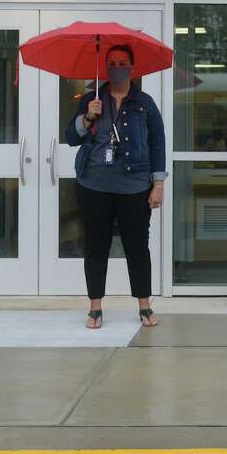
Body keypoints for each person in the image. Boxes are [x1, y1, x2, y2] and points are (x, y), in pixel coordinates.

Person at [66, 45, 165, 330]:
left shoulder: (144, 103)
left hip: (135, 187)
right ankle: (95, 307)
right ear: (105, 67)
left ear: (132, 67)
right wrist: (87, 117)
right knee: (96, 246)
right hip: (93, 185)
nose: (117, 67)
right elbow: (71, 137)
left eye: (122, 62)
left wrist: (158, 184)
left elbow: (158, 143)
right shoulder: (91, 99)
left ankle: (144, 305)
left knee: (137, 247)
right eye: (111, 63)